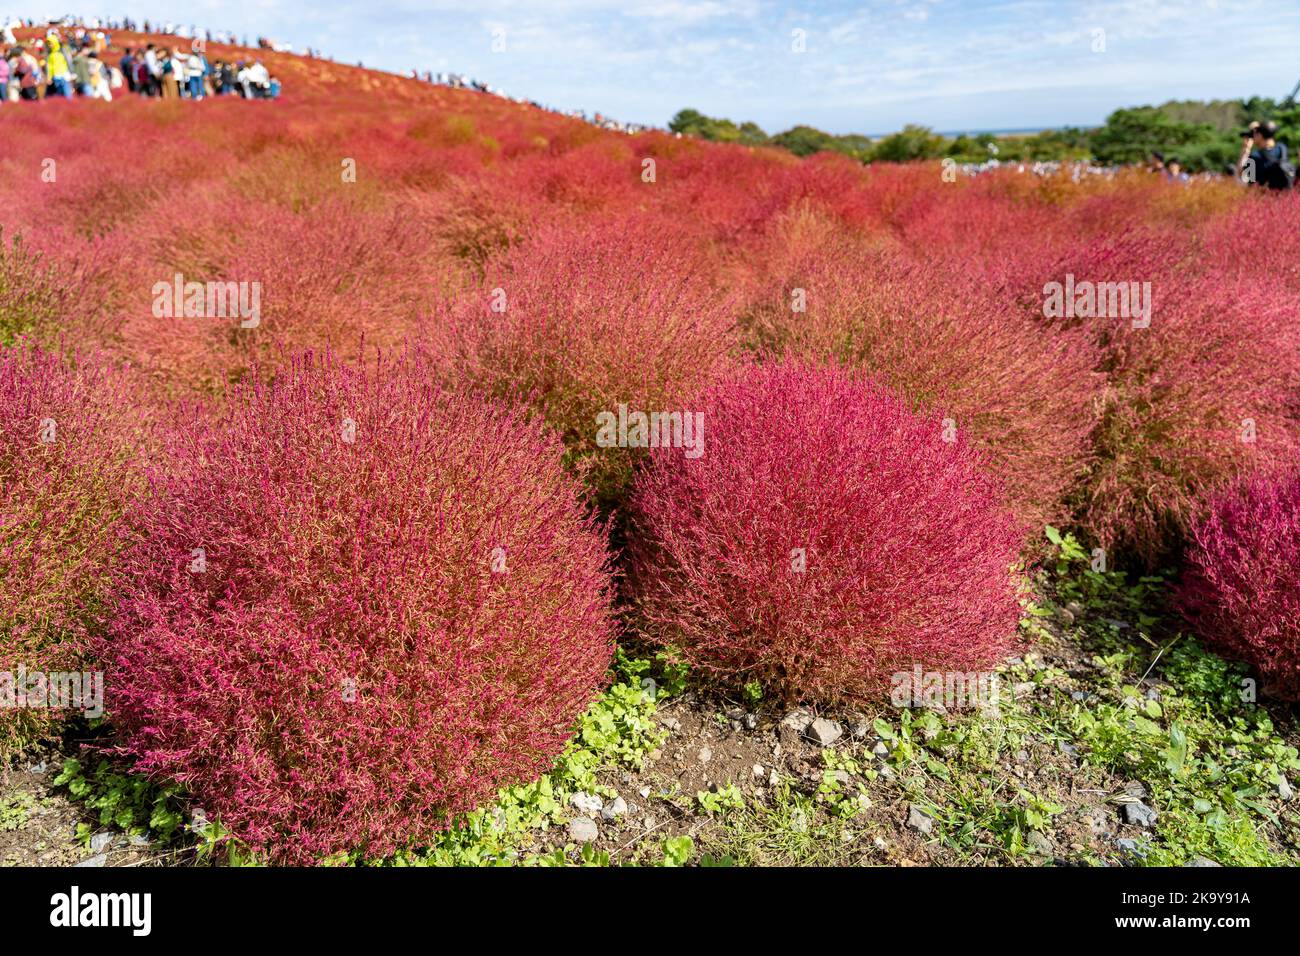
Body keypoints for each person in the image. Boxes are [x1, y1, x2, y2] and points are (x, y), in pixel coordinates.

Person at [1238, 120, 1294, 190]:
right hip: (1286, 197)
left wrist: (1246, 148)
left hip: (1265, 198)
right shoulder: (1282, 148)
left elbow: (1242, 175)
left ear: (1260, 135)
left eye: (1255, 133)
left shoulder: (1255, 157)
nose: (1253, 136)